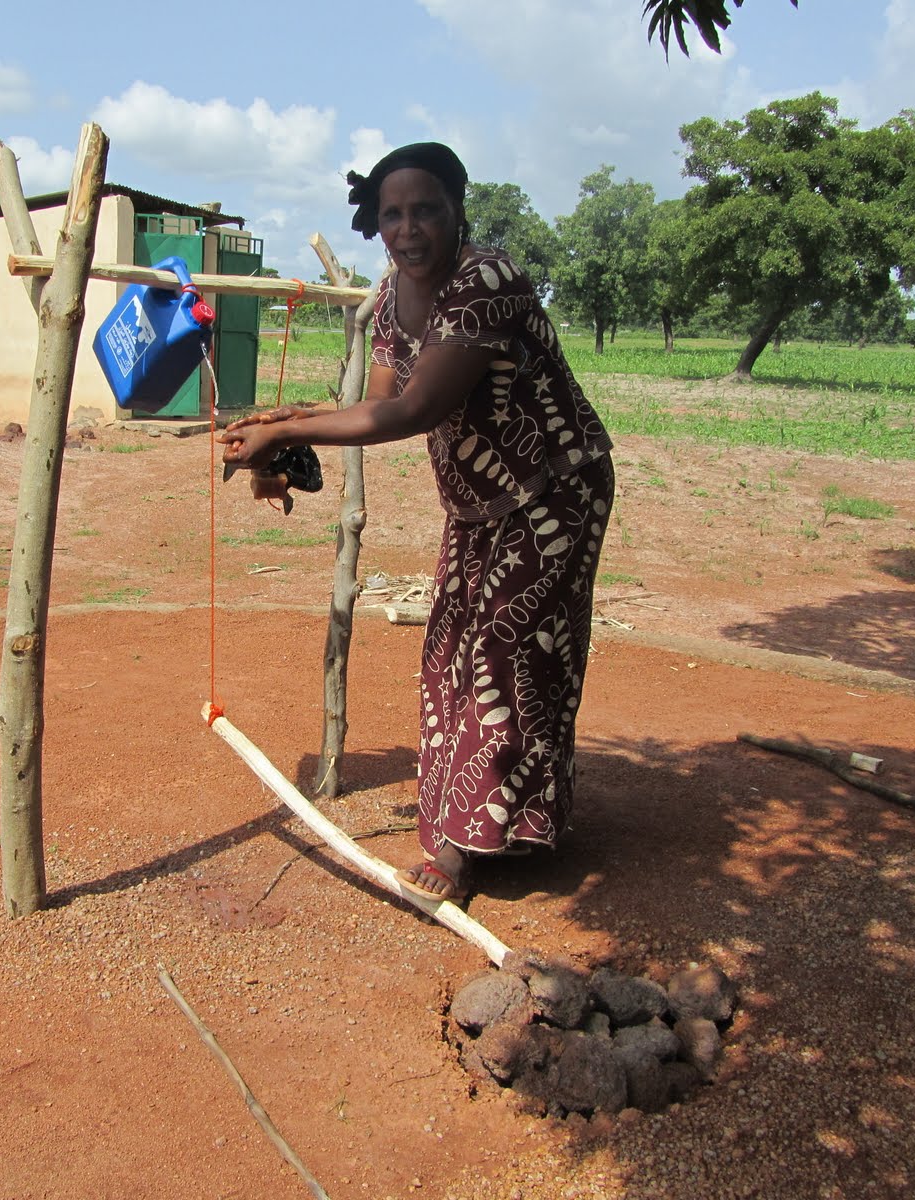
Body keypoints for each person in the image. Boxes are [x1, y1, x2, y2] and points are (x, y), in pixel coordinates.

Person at [219, 142, 613, 902]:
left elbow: (413, 410)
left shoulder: (486, 282)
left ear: (458, 210)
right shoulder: (396, 292)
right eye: (393, 213)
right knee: (449, 653)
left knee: (506, 651)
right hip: (478, 504)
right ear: (377, 223)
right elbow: (375, 396)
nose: (408, 228)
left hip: (552, 491)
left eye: (426, 209)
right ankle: (502, 822)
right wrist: (287, 426)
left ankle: (463, 849)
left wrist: (288, 433)